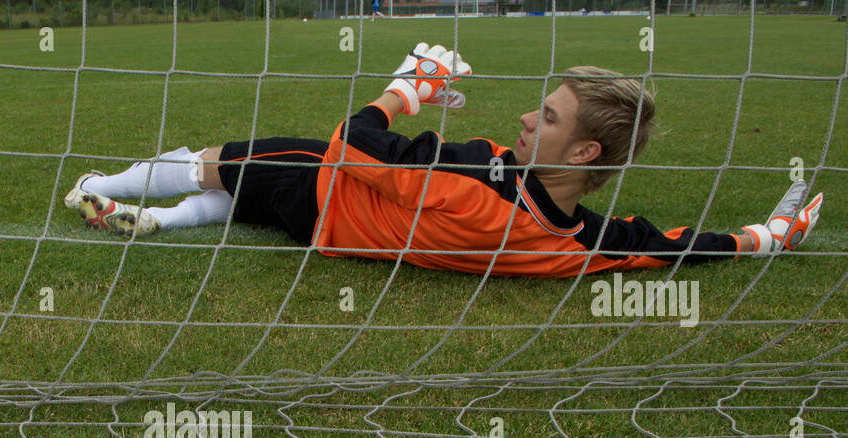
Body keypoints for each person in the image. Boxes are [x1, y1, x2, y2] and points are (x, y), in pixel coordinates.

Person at [63, 45, 823, 278]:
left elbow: (356, 144)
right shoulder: (574, 241)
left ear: (586, 150)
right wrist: (765, 236)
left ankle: (96, 186)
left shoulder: (469, 189)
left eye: (549, 117)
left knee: (217, 161)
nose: (528, 117)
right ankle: (160, 222)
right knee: (243, 203)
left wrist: (405, 90)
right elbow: (667, 246)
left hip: (333, 189)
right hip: (345, 231)